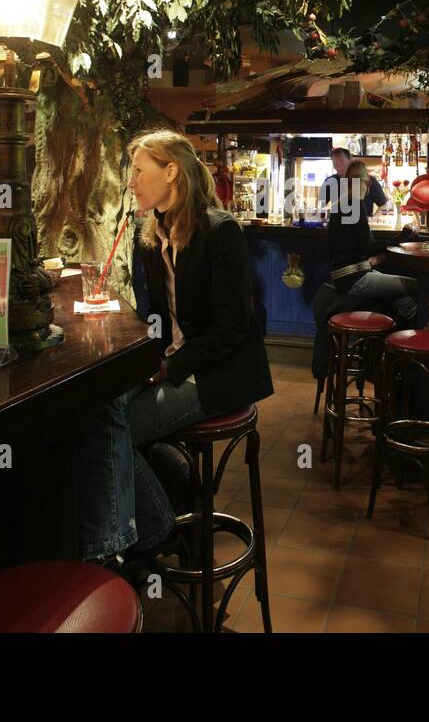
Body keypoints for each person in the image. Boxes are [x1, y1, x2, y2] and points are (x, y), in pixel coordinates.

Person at [76, 130, 274, 567]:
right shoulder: (151, 237)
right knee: (95, 410)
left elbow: (233, 329)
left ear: (171, 172)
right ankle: (163, 521)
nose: (131, 181)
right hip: (175, 362)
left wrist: (169, 368)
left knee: (112, 430)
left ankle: (133, 541)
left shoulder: (221, 232)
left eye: (138, 170)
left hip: (220, 371)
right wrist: (144, 360)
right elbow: (160, 324)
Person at [327, 159, 419, 330]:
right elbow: (366, 247)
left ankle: (380, 346)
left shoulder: (339, 204)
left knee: (406, 303)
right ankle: (391, 346)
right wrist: (401, 237)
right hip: (356, 279)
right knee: (417, 284)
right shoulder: (354, 204)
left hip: (343, 277)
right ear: (368, 182)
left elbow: (341, 246)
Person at [320, 146, 387, 219]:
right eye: (335, 163)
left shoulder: (368, 180)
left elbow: (384, 207)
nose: (339, 165)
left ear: (350, 160)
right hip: (338, 227)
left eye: (341, 161)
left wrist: (373, 219)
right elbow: (321, 208)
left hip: (362, 227)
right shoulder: (330, 182)